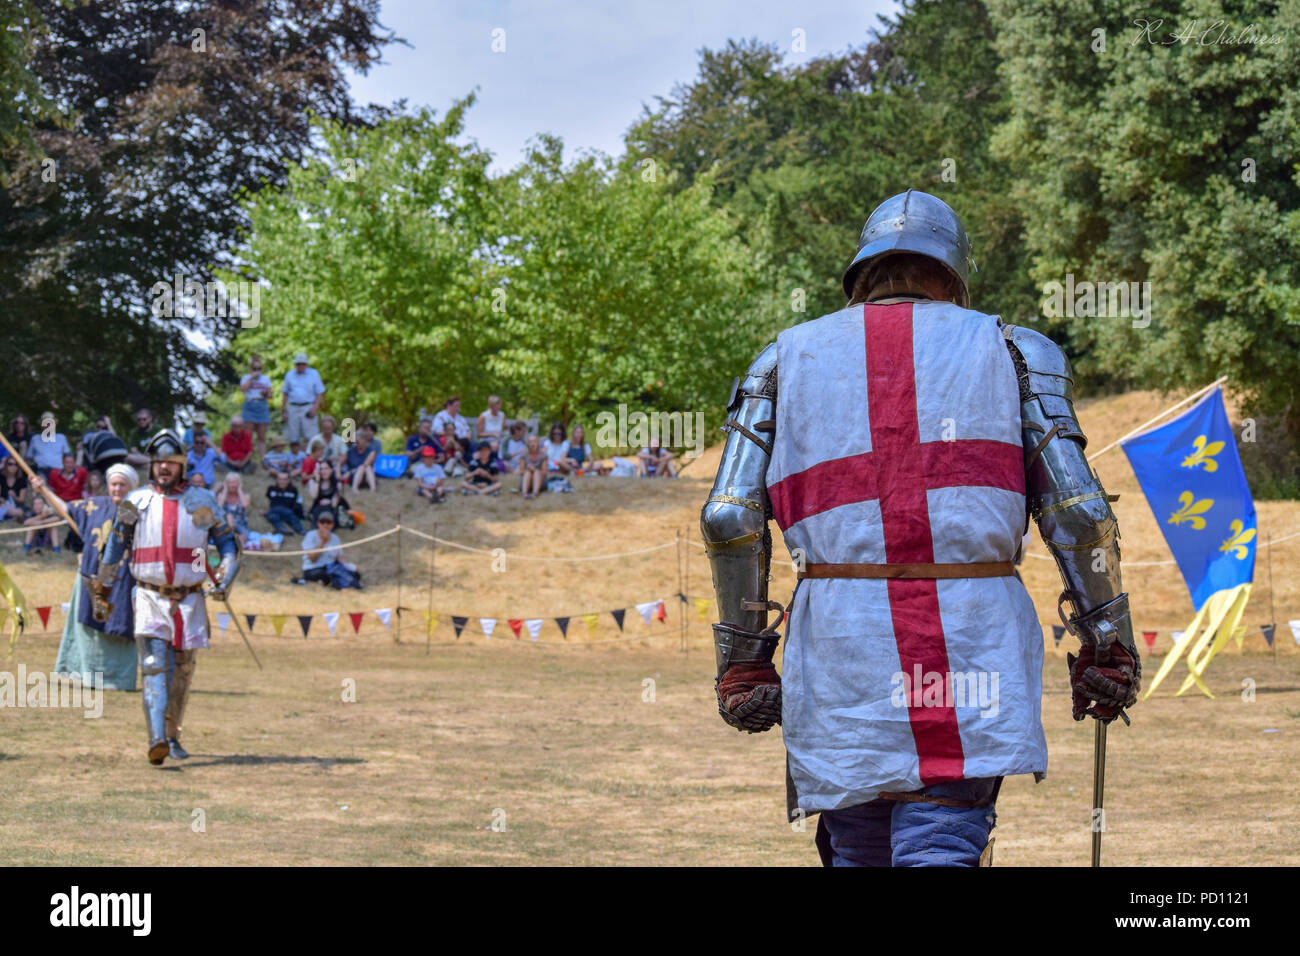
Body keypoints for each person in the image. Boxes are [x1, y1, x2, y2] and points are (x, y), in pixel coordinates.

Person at [699, 189, 1140, 868]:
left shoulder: (783, 357)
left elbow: (731, 516)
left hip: (842, 644)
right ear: (954, 271)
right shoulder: (1015, 350)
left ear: (861, 272)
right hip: (969, 636)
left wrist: (743, 662)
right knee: (942, 837)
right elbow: (1079, 513)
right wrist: (1107, 645)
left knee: (859, 843)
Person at [92, 429, 240, 765]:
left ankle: (172, 736)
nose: (163, 469)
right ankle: (156, 738)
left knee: (183, 669)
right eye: (159, 463)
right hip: (149, 595)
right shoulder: (137, 502)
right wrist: (102, 587)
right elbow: (114, 548)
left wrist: (225, 577)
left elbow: (228, 545)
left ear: (182, 466)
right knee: (155, 665)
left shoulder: (200, 502)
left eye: (170, 464)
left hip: (190, 598)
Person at [37, 463, 141, 691]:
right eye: (114, 484)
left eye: (122, 485)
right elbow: (66, 509)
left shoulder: (139, 511)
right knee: (88, 626)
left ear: (131, 487)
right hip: (90, 577)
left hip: (124, 581)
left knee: (120, 625)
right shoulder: (94, 506)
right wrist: (44, 490)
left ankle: (119, 680)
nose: (117, 489)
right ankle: (85, 675)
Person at [297, 511, 361, 589]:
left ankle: (345, 583)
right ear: (318, 523)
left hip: (331, 566)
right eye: (322, 522)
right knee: (325, 575)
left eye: (328, 522)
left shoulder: (335, 538)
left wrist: (348, 567)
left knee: (355, 574)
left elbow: (339, 557)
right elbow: (312, 559)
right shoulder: (310, 535)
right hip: (313, 568)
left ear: (332, 524)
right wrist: (323, 542)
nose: (325, 525)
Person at [281, 352, 325, 446]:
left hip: (308, 407)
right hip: (293, 407)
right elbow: (285, 393)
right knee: (293, 437)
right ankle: (295, 458)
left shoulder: (313, 374)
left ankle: (309, 458)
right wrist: (284, 410)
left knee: (310, 436)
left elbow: (319, 393)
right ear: (296, 364)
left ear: (306, 364)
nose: (300, 366)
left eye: (303, 363)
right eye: (298, 364)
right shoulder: (290, 375)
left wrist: (315, 408)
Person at [239, 354, 274, 464]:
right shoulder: (246, 378)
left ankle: (263, 460)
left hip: (262, 405)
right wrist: (252, 378)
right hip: (249, 405)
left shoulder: (266, 379)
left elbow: (270, 395)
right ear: (251, 368)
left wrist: (266, 393)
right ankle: (247, 458)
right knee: (248, 435)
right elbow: (243, 389)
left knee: (262, 436)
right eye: (255, 368)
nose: (257, 371)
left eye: (259, 368)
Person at [264, 470, 307, 534]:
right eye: (280, 479)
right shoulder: (271, 489)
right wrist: (266, 511)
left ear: (289, 480)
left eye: (285, 479)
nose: (282, 482)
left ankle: (300, 529)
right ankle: (281, 529)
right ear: (277, 480)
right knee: (272, 516)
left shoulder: (293, 490)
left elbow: (298, 503)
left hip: (288, 512)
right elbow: (269, 501)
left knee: (293, 517)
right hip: (274, 511)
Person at [216, 472, 253, 542]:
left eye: (234, 482)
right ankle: (232, 538)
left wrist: (239, 490)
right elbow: (219, 507)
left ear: (239, 483)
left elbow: (245, 505)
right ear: (226, 484)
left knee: (242, 536)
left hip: (241, 525)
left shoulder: (245, 496)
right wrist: (225, 490)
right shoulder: (221, 495)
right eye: (229, 483)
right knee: (229, 517)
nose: (232, 485)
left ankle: (237, 540)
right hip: (225, 525)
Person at [340, 426, 379, 492]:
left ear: (364, 440)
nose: (355, 444)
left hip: (365, 476)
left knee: (366, 467)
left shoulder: (371, 452)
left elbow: (365, 464)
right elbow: (339, 463)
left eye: (357, 442)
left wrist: (350, 472)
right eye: (354, 442)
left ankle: (372, 488)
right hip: (354, 476)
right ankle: (355, 488)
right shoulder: (350, 451)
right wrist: (339, 474)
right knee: (364, 467)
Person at [518, 435, 547, 499]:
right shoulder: (524, 455)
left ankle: (535, 493)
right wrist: (528, 470)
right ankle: (524, 494)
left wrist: (534, 470)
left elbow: (545, 472)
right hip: (526, 480)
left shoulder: (543, 455)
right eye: (530, 442)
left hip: (540, 481)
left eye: (534, 441)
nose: (532, 444)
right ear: (528, 444)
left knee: (536, 472)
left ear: (538, 443)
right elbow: (521, 471)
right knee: (528, 472)